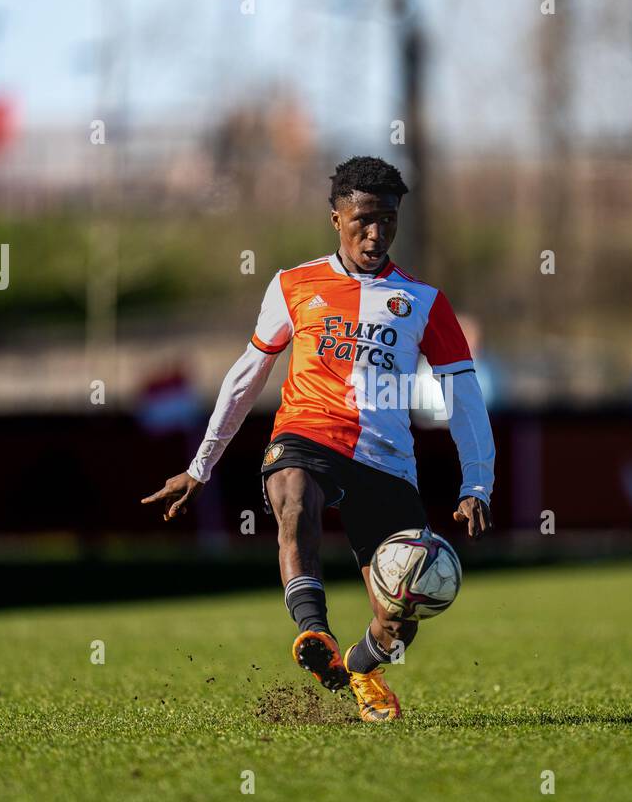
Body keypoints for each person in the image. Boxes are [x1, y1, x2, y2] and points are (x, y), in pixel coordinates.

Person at [141, 156, 495, 721]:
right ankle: (315, 633)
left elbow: (465, 396)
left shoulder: (426, 302)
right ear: (336, 217)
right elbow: (246, 375)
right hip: (307, 431)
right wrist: (200, 466)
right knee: (291, 493)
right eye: (364, 220)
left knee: (404, 608)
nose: (376, 233)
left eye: (389, 221)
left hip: (387, 462)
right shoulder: (292, 285)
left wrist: (477, 480)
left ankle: (361, 663)